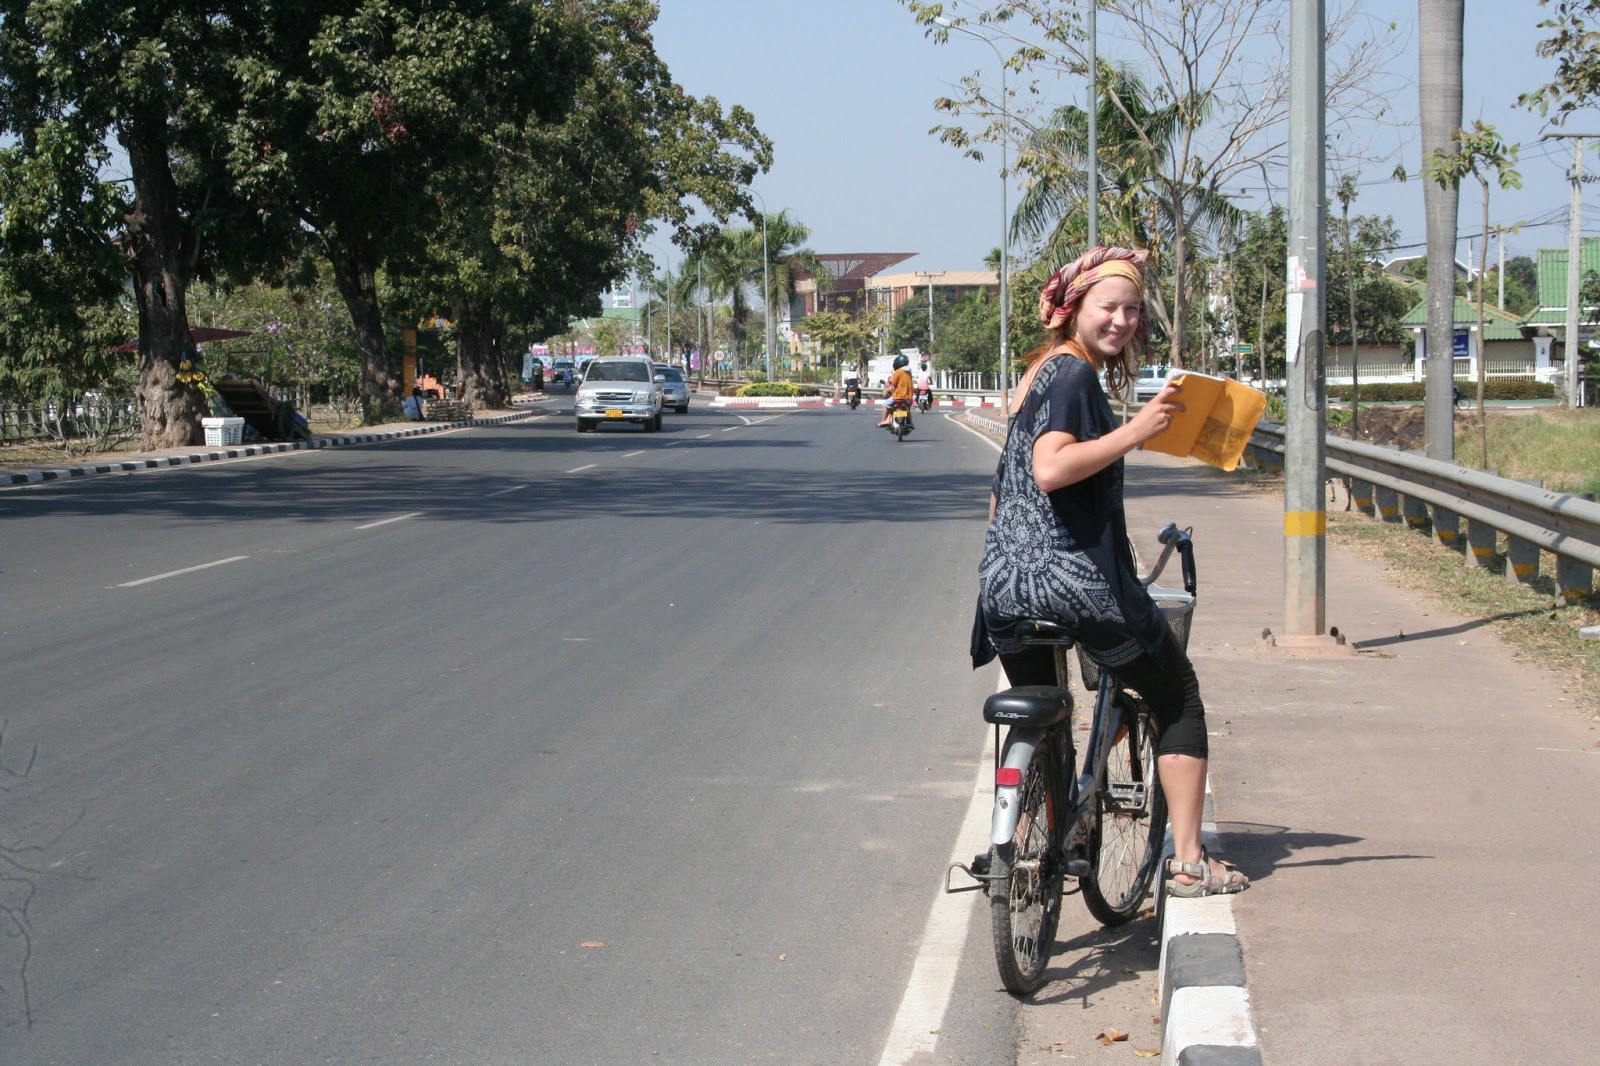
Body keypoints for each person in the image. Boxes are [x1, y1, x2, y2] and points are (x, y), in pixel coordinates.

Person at [974, 245, 1249, 899]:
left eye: (1132, 310)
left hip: (1005, 585)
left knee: (1043, 713)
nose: (1122, 321)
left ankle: (1029, 844)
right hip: (1073, 584)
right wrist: (1138, 431)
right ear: (1074, 311)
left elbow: (1003, 492)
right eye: (1108, 307)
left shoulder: (1038, 374)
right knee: (1177, 694)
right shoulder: (1072, 376)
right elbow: (1051, 467)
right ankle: (1187, 863)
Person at [877, 353, 915, 428]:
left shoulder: (898, 372)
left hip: (898, 397)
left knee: (885, 404)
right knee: (908, 408)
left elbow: (894, 383)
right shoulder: (909, 372)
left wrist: (893, 374)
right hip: (908, 398)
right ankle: (910, 422)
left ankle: (884, 420)